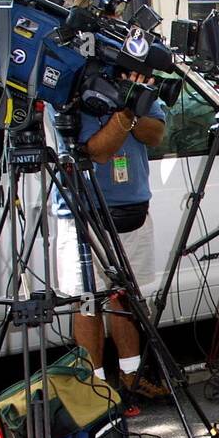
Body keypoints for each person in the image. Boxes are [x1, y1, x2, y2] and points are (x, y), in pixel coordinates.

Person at [54, 74, 169, 398]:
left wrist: (132, 101)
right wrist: (127, 113)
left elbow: (156, 133)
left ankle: (132, 376)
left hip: (131, 207)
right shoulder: (71, 77)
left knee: (125, 297)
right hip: (83, 209)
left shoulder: (132, 75)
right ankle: (95, 387)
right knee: (88, 300)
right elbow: (96, 151)